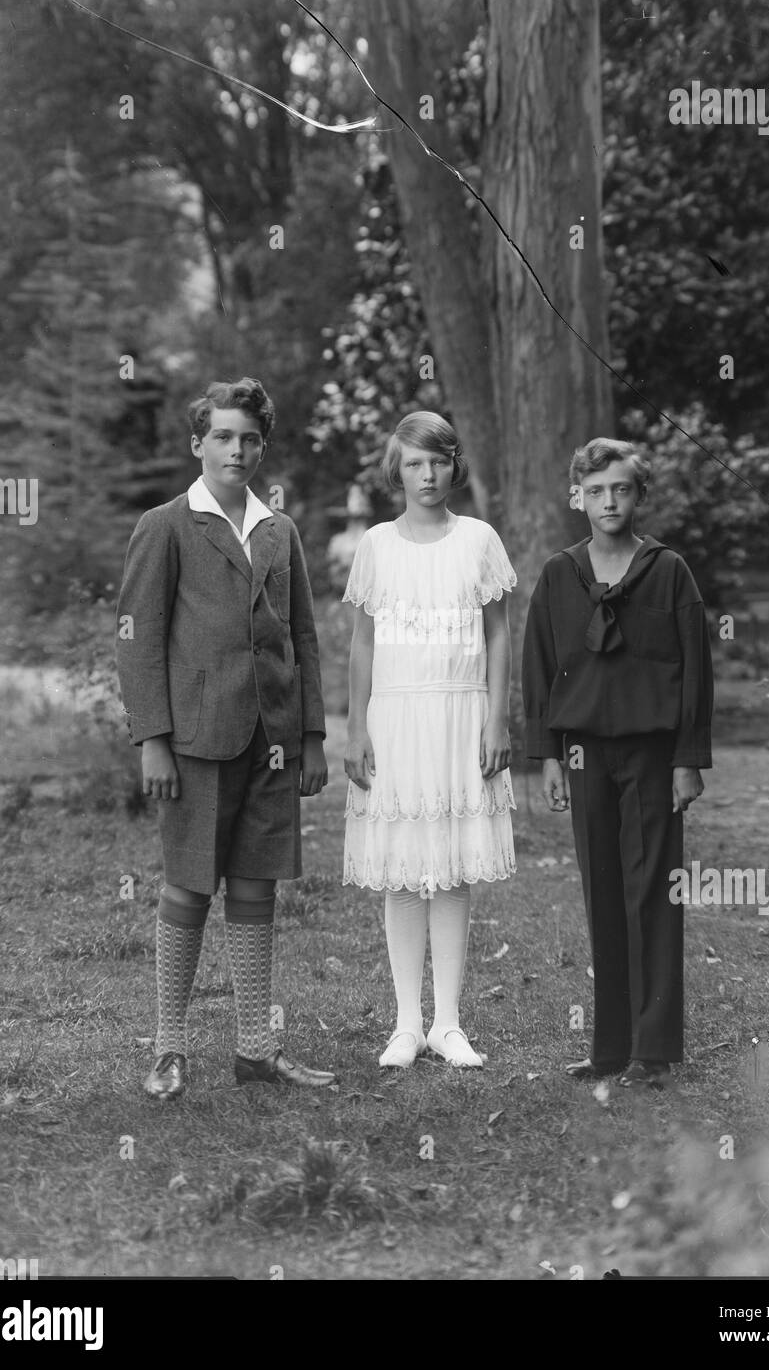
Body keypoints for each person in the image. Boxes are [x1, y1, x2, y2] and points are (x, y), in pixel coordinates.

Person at [116, 376, 335, 1099]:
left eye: (248, 439)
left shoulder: (279, 530)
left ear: (261, 447)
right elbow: (140, 640)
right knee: (188, 886)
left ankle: (255, 1048)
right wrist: (152, 736)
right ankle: (170, 1047)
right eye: (222, 437)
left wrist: (310, 737)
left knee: (254, 884)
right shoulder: (167, 525)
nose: (235, 450)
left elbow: (301, 634)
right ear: (197, 443)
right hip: (195, 738)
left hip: (271, 740)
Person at [522, 438, 713, 1088]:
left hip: (655, 754)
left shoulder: (669, 571)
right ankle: (608, 1049)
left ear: (638, 495)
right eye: (597, 490)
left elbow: (695, 674)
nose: (610, 501)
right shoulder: (558, 575)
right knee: (602, 887)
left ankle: (653, 1051)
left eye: (622, 489)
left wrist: (688, 760)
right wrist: (545, 757)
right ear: (578, 496)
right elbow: (539, 669)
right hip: (584, 753)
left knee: (655, 889)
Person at [342, 412, 516, 1069]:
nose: (428, 475)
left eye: (438, 461)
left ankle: (448, 1022)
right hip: (396, 720)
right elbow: (362, 644)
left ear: (453, 466)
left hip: (459, 717)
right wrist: (355, 726)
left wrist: (498, 718)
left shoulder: (478, 540)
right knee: (402, 870)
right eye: (415, 463)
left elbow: (499, 633)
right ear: (398, 470)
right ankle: (406, 1023)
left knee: (449, 866)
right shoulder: (377, 547)